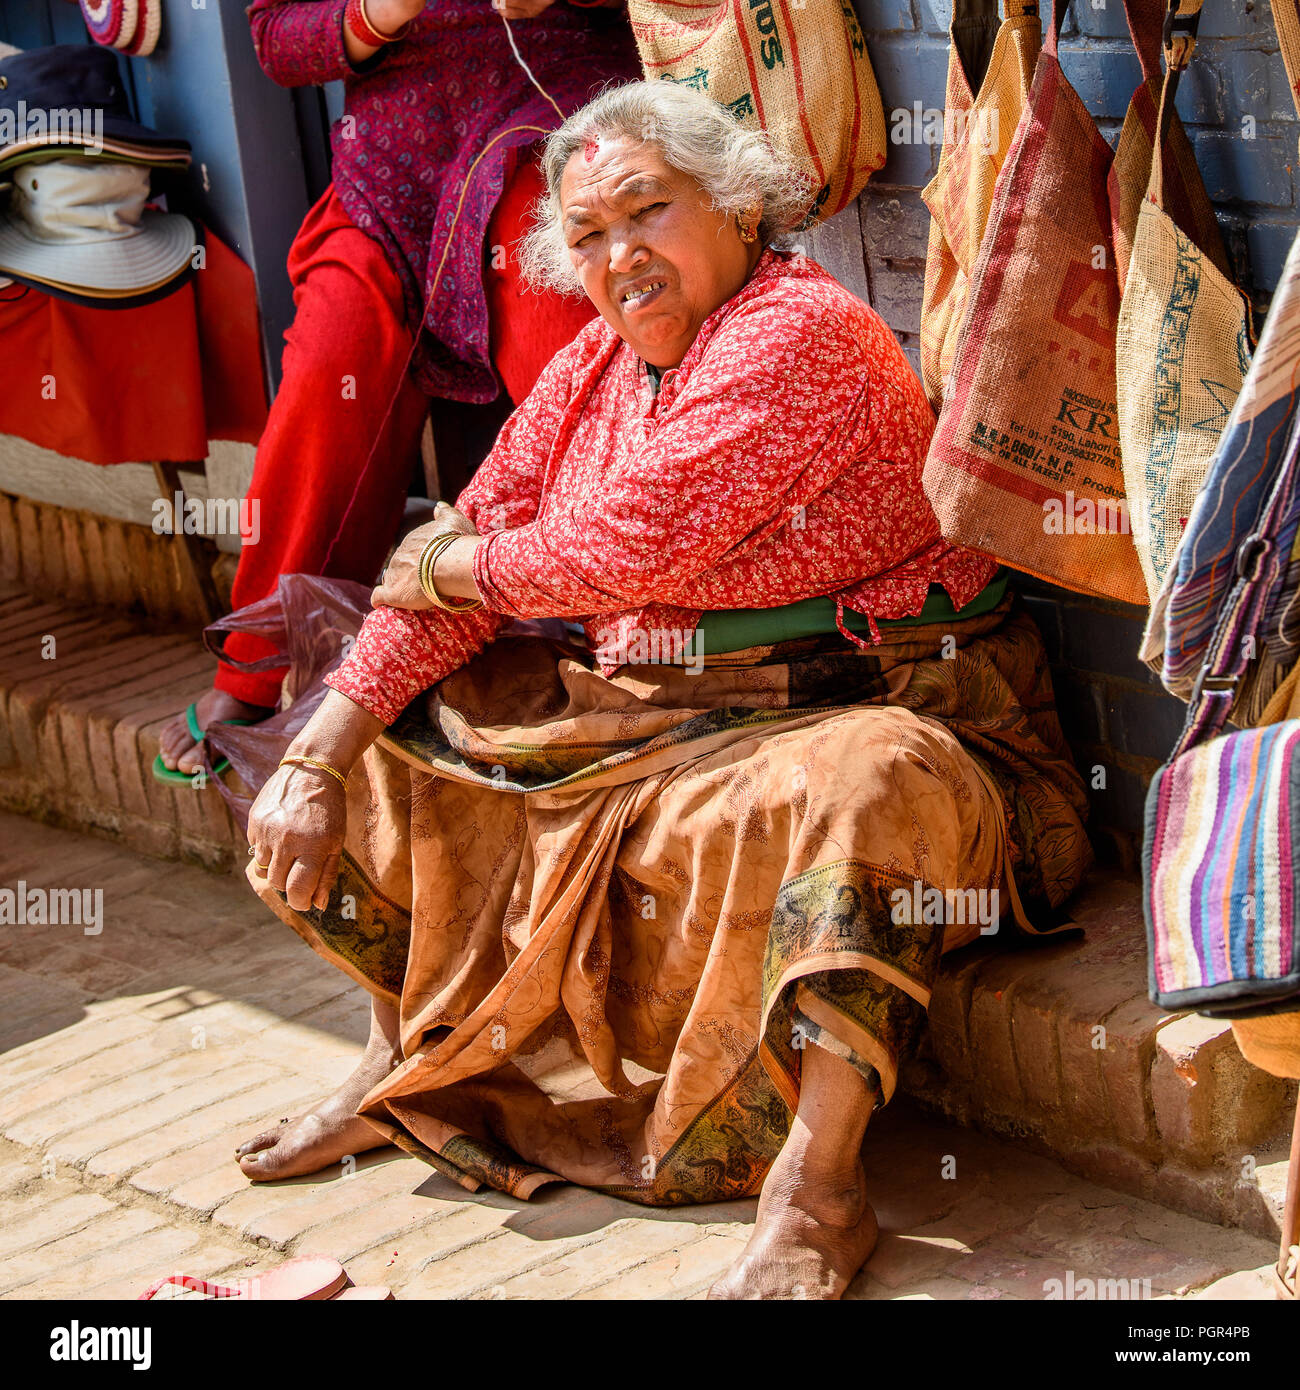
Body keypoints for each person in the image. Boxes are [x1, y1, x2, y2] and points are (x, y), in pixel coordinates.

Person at [236, 80, 1092, 1300]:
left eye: (648, 211)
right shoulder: (594, 364)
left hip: (882, 702)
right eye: (587, 236)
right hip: (665, 712)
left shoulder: (796, 333)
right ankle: (406, 1066)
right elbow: (458, 570)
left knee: (869, 784)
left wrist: (455, 559)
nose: (618, 256)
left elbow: (627, 545)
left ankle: (818, 1185)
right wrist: (317, 758)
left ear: (739, 208)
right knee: (386, 729)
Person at [156, 0, 638, 778]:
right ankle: (256, 662)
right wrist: (382, 10)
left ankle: (637, 637)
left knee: (563, 343)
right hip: (396, 168)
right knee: (331, 367)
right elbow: (277, 40)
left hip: (547, 126)